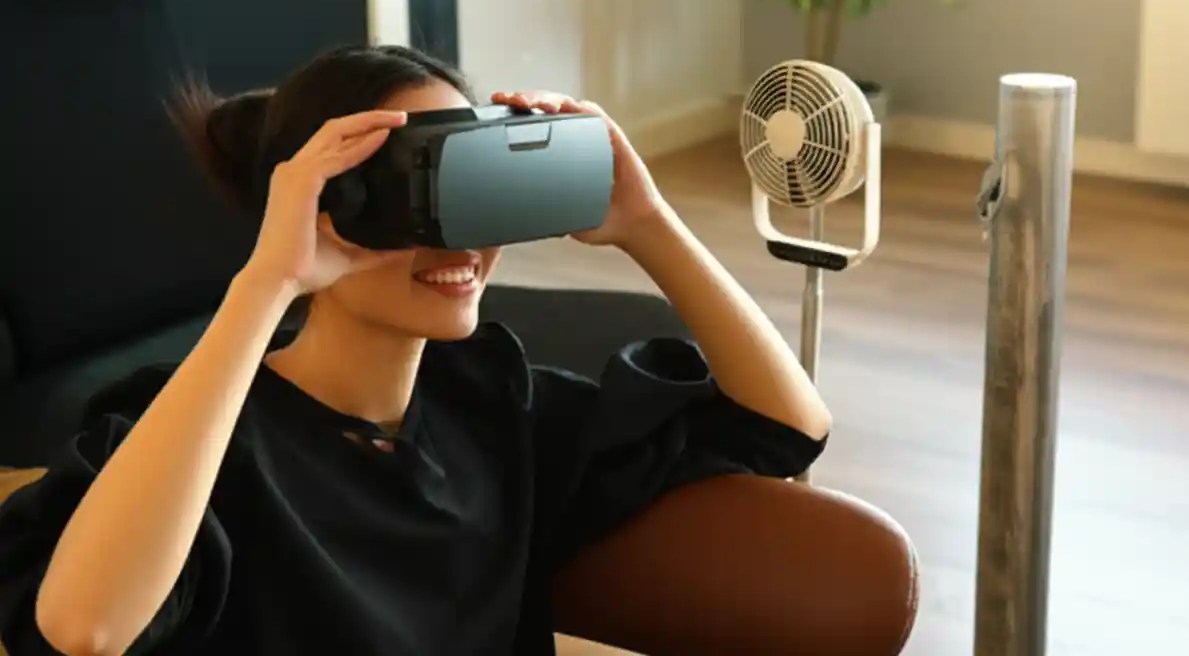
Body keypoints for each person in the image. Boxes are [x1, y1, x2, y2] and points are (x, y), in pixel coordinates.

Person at [0, 44, 834, 655]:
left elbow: (785, 427)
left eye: (470, 186)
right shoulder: (195, 442)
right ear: (325, 207)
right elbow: (85, 629)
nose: (458, 245)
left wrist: (649, 224)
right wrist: (265, 286)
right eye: (415, 194)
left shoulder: (493, 405)